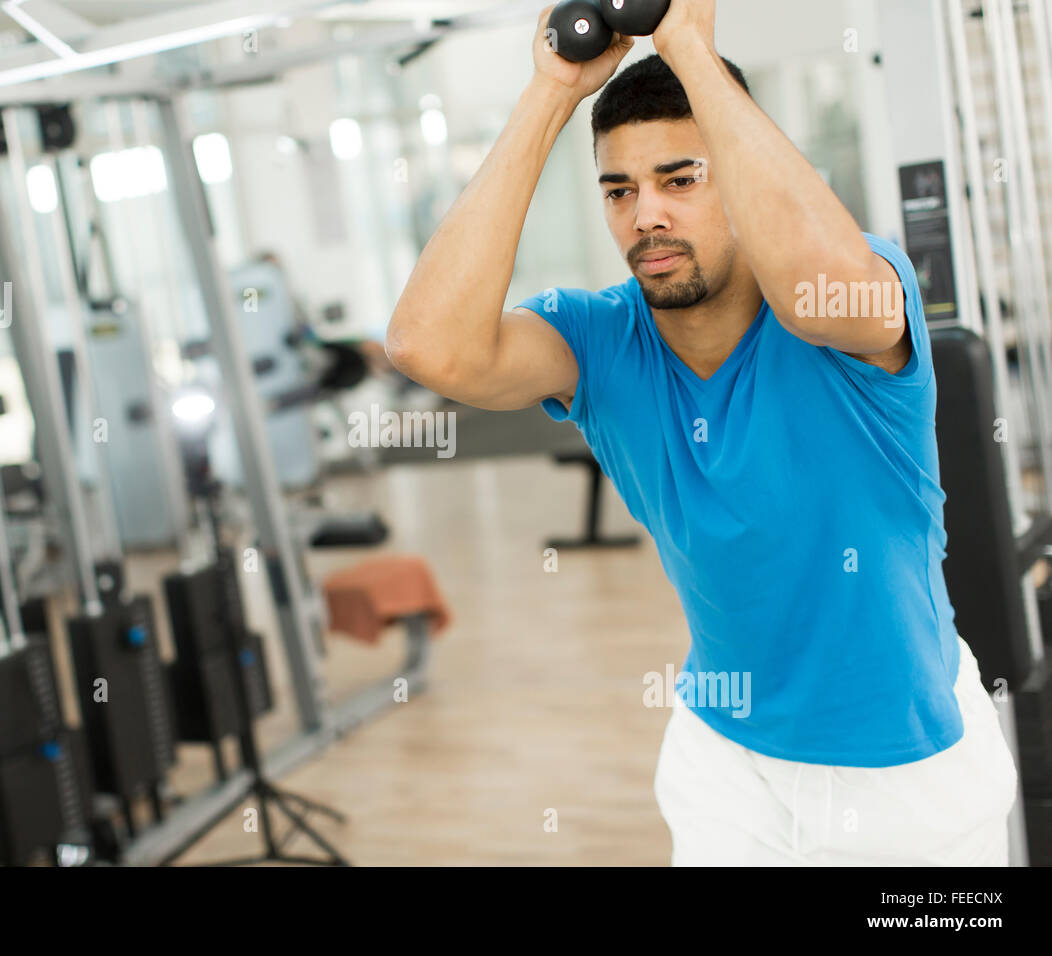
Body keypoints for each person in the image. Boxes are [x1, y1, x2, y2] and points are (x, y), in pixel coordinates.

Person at [385, 0, 1018, 865]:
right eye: (619, 189)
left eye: (680, 179)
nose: (645, 215)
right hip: (726, 758)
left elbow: (808, 285)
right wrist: (550, 95)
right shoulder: (600, 342)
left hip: (907, 766)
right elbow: (430, 346)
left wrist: (688, 45)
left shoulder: (845, 299)